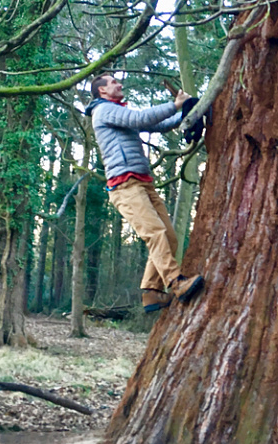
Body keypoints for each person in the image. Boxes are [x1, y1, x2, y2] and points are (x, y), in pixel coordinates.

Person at [86, 73, 204, 314]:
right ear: (102, 92)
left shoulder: (116, 111)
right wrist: (174, 105)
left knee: (169, 237)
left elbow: (155, 125)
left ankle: (151, 292)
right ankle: (175, 282)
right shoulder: (104, 110)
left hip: (142, 182)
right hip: (125, 186)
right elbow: (140, 118)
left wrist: (184, 114)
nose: (119, 84)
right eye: (113, 82)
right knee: (156, 233)